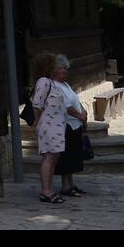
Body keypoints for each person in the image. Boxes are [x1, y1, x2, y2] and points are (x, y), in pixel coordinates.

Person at [31, 51, 78, 204]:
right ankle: (46, 191)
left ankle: (49, 188)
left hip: (57, 125)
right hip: (49, 125)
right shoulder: (44, 81)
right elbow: (37, 103)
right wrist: (37, 122)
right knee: (49, 157)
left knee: (54, 157)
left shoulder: (52, 83)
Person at [49, 54, 88, 196]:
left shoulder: (65, 84)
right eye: (62, 68)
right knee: (67, 156)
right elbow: (65, 105)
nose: (65, 71)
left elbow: (75, 100)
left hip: (75, 124)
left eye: (66, 69)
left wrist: (83, 111)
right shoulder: (54, 86)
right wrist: (80, 115)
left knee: (73, 155)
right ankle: (66, 186)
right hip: (66, 125)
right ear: (55, 69)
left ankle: (71, 184)